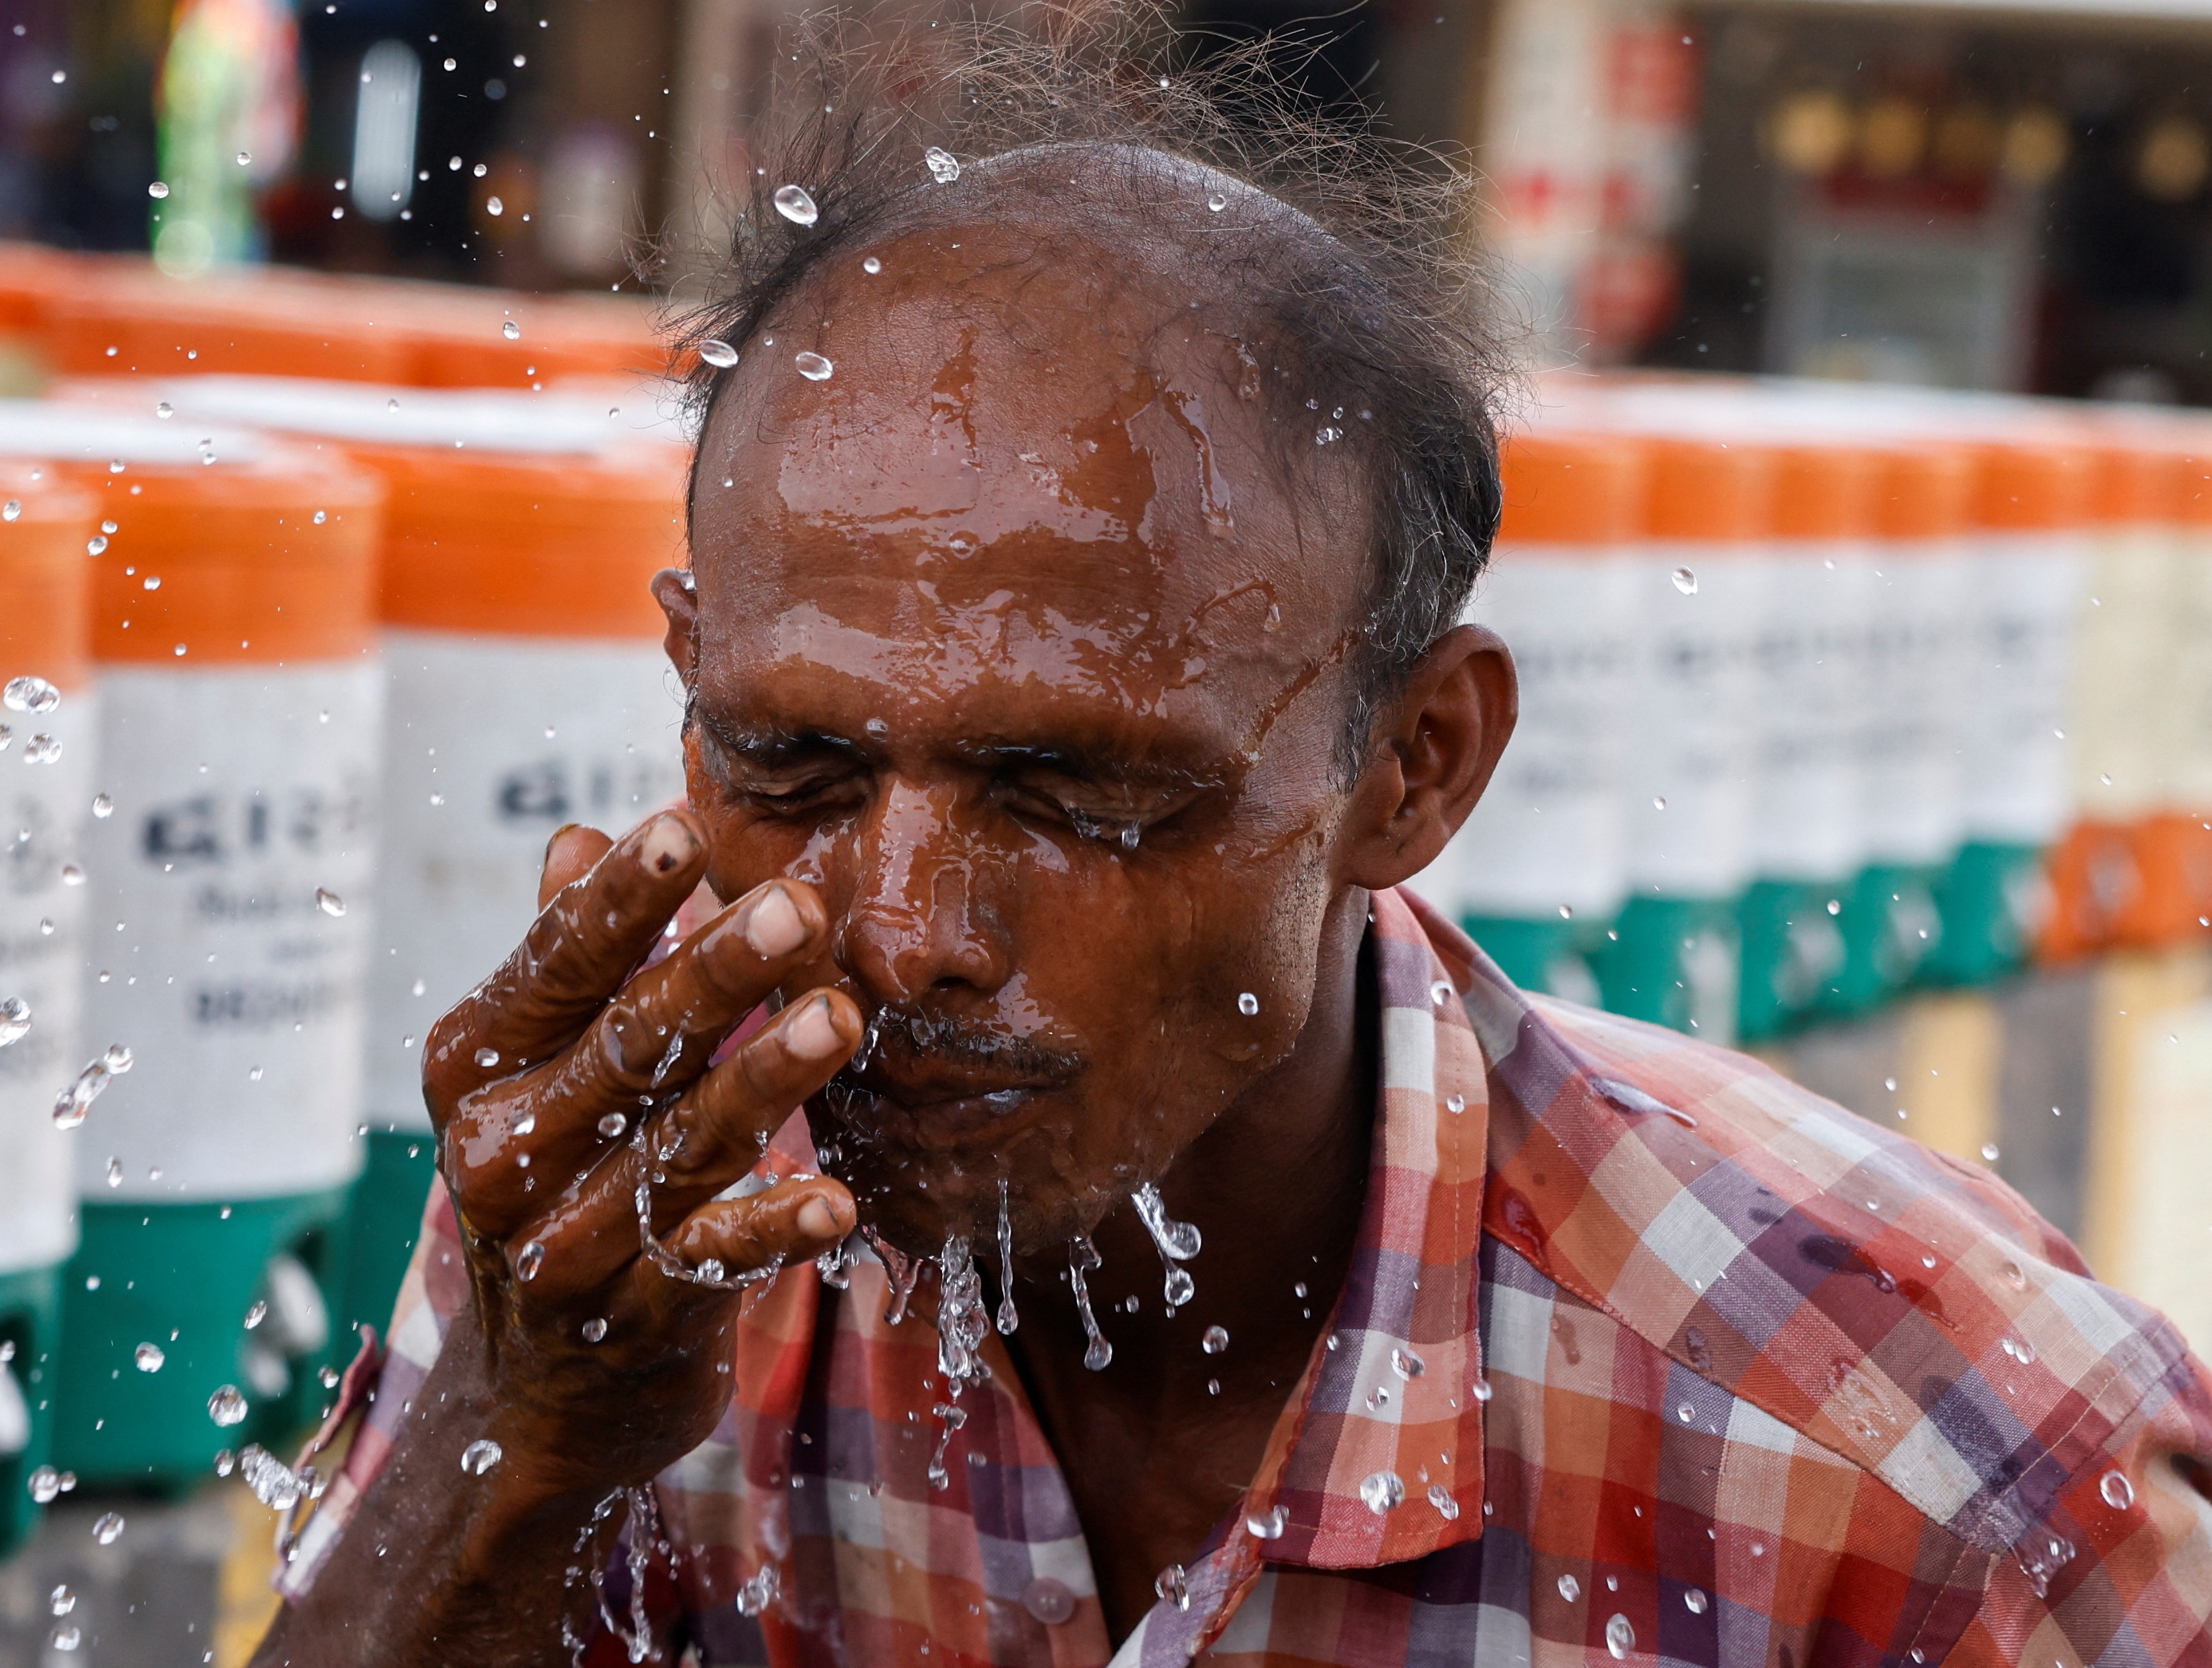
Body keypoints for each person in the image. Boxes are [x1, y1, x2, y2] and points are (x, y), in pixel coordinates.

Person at [251, 13, 2212, 1667]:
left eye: (1081, 793)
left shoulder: (1944, 1465)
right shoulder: (637, 1227)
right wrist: (517, 1437)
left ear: (1415, 765)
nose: (903, 927)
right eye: (791, 762)